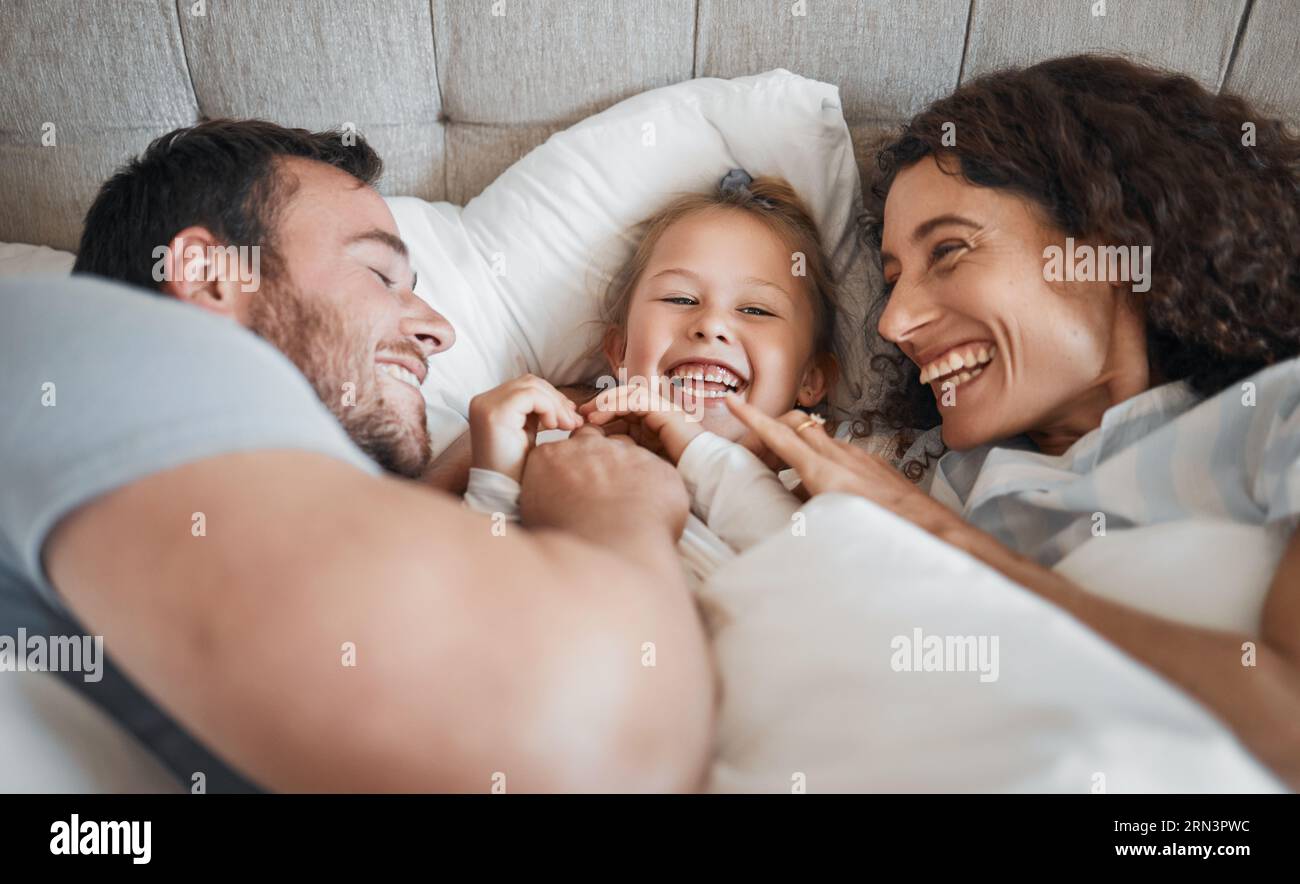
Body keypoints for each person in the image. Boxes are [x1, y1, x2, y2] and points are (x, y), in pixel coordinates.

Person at [0, 119, 714, 792]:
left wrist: (455, 477)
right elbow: (597, 743)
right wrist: (621, 510)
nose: (439, 330)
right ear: (213, 275)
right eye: (380, 274)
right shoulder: (93, 345)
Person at [723, 55, 1300, 789]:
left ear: (1107, 244)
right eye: (893, 279)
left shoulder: (1278, 415)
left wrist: (937, 535)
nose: (895, 323)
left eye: (950, 251)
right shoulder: (930, 470)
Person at [462, 173, 840, 585]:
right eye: (680, 299)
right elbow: (477, 609)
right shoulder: (559, 456)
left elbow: (812, 587)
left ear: (812, 378)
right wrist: (495, 483)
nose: (711, 324)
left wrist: (696, 449)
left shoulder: (817, 498)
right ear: (618, 351)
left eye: (755, 310)